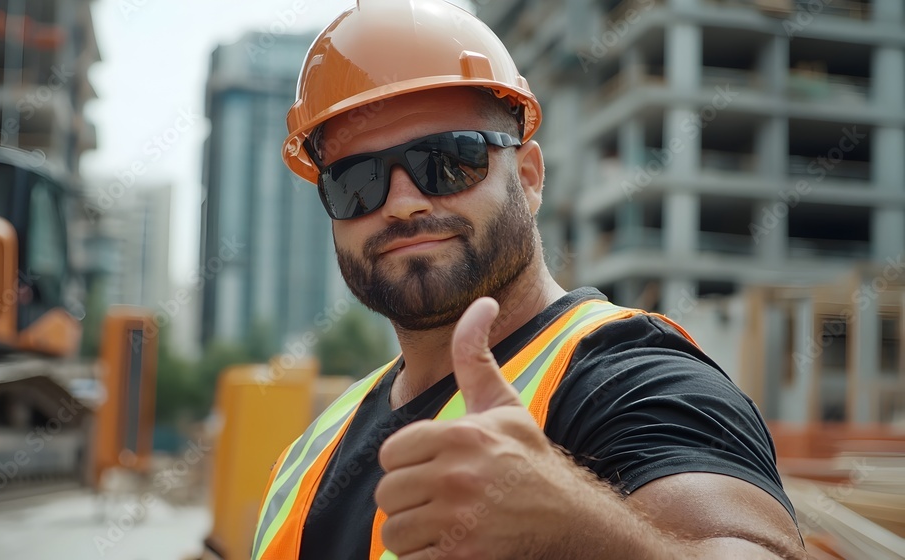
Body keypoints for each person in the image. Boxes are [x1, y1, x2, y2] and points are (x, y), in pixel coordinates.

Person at [252, 1, 805, 558]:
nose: (401, 203)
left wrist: (572, 533)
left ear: (530, 177)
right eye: (355, 180)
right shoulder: (310, 453)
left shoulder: (631, 378)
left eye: (448, 159)